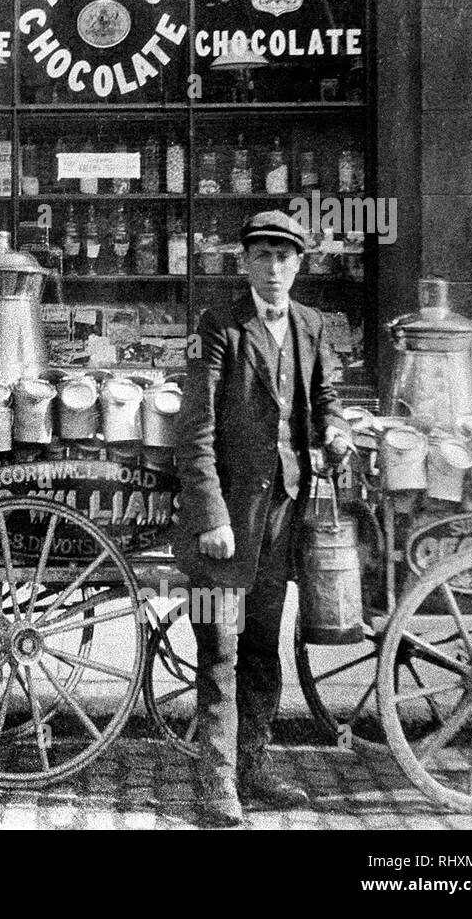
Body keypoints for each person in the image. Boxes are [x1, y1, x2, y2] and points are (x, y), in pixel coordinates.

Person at [176, 210, 352, 826]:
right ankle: (215, 785)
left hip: (282, 513)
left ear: (299, 265)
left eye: (285, 258)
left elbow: (326, 396)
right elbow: (194, 429)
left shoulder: (310, 324)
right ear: (245, 262)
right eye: (262, 256)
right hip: (222, 524)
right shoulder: (215, 325)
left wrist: (333, 427)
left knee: (260, 644)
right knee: (218, 646)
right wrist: (210, 516)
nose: (274, 269)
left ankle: (253, 765)